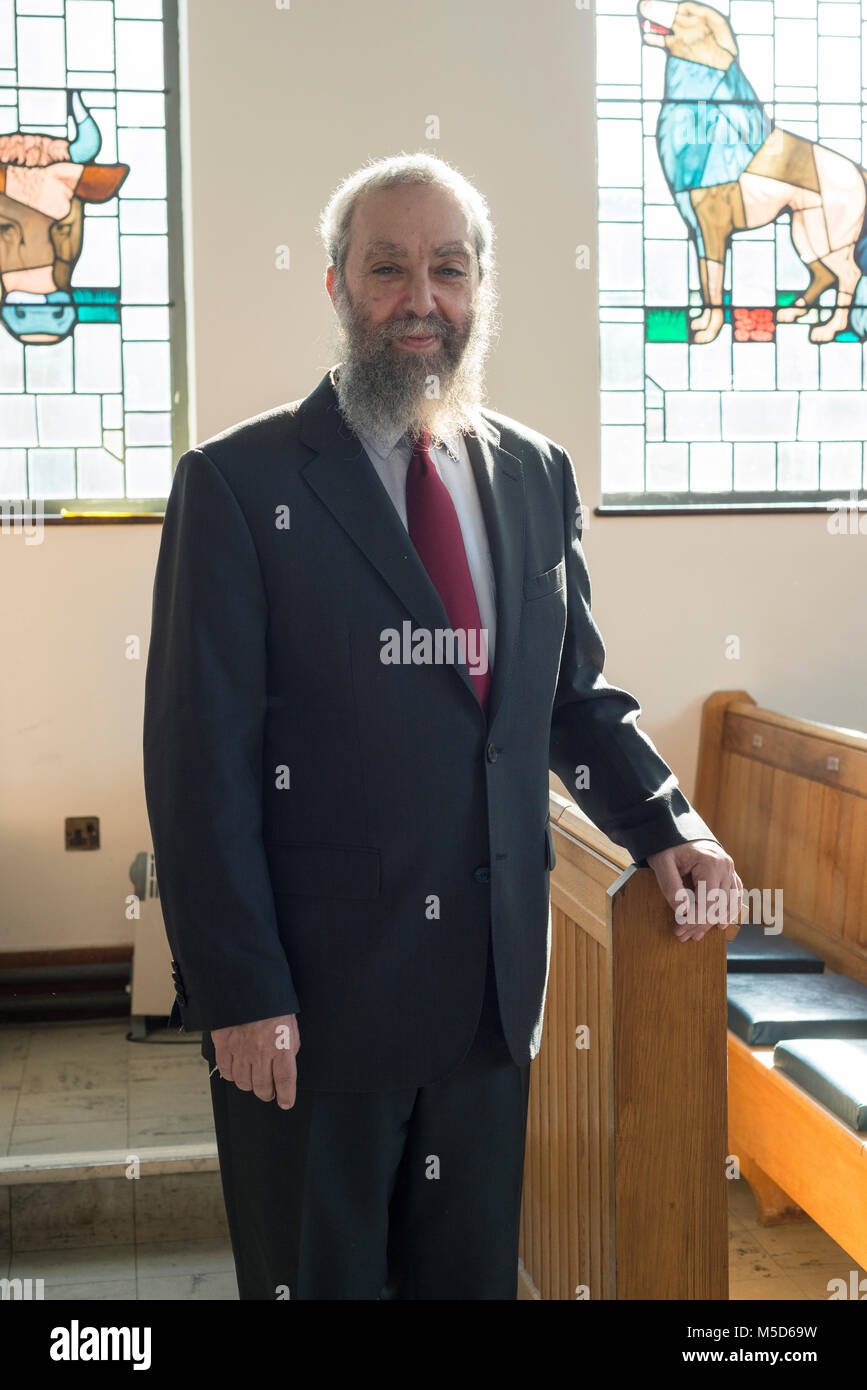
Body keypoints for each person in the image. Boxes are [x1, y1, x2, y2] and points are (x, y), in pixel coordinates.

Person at [142, 151, 742, 1301]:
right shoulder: (237, 484)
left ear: (481, 290)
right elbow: (195, 764)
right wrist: (241, 989)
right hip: (314, 1018)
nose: (422, 299)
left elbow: (572, 695)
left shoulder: (532, 471)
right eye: (389, 269)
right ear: (336, 288)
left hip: (488, 999)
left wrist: (668, 823)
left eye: (449, 269)